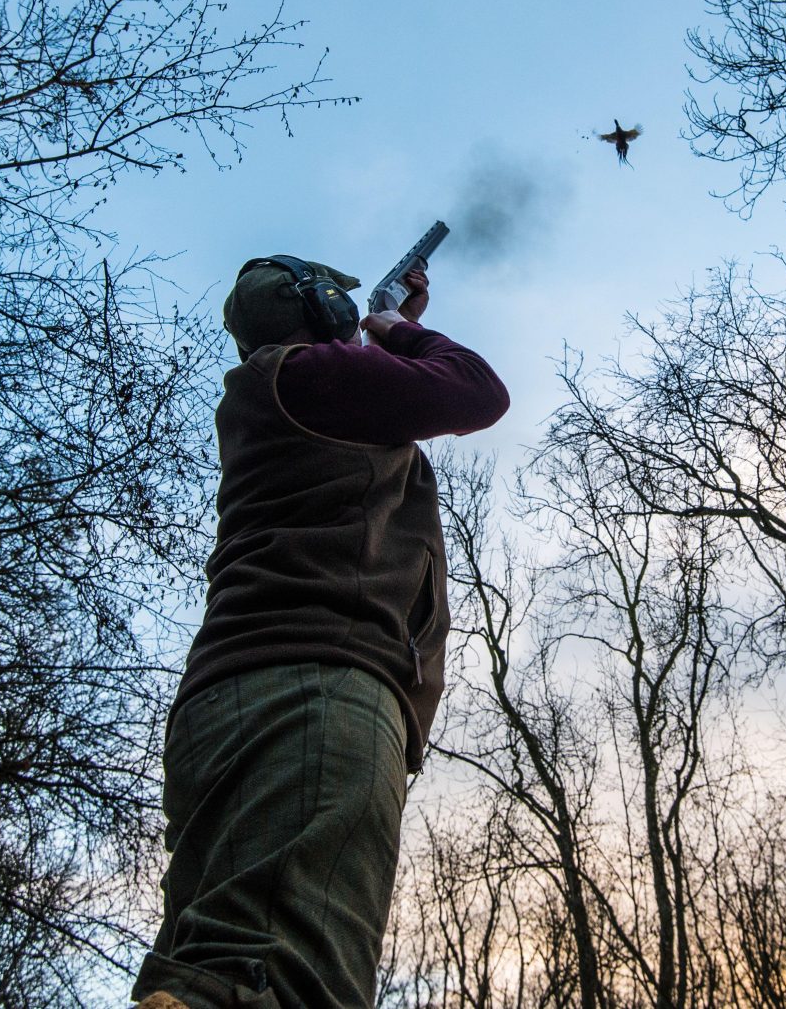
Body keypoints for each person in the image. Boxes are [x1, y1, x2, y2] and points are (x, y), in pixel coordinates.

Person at [132, 254, 509, 1009]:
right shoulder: (311, 376)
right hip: (316, 694)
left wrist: (387, 335)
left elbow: (374, 398)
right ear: (327, 311)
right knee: (287, 983)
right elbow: (478, 389)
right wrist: (394, 327)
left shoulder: (281, 392)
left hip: (235, 702)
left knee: (210, 965)